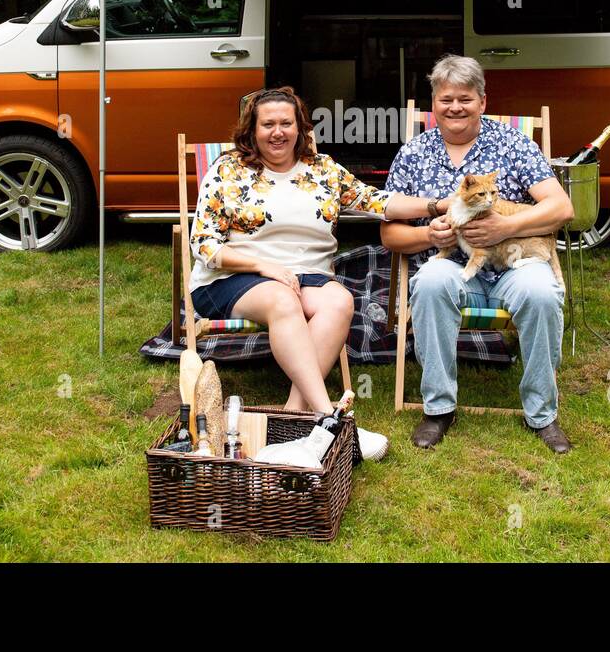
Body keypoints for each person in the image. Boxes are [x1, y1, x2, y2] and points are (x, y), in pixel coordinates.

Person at [189, 87, 447, 461]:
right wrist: (263, 265)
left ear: (300, 128)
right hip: (233, 275)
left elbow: (379, 201)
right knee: (281, 299)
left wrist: (437, 204)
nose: (278, 132)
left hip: (307, 274)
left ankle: (294, 418)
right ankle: (329, 416)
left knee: (340, 301)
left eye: (286, 123)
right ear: (252, 130)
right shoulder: (228, 170)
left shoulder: (322, 169)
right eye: (268, 125)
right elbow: (203, 243)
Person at [381, 55, 576, 453]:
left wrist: (506, 227)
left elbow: (561, 208)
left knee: (541, 293)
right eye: (446, 99)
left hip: (514, 264)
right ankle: (438, 409)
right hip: (452, 266)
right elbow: (389, 234)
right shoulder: (413, 153)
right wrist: (429, 238)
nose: (455, 107)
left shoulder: (512, 143)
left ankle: (542, 414)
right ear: (434, 103)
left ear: (482, 102)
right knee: (431, 283)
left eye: (465, 99)